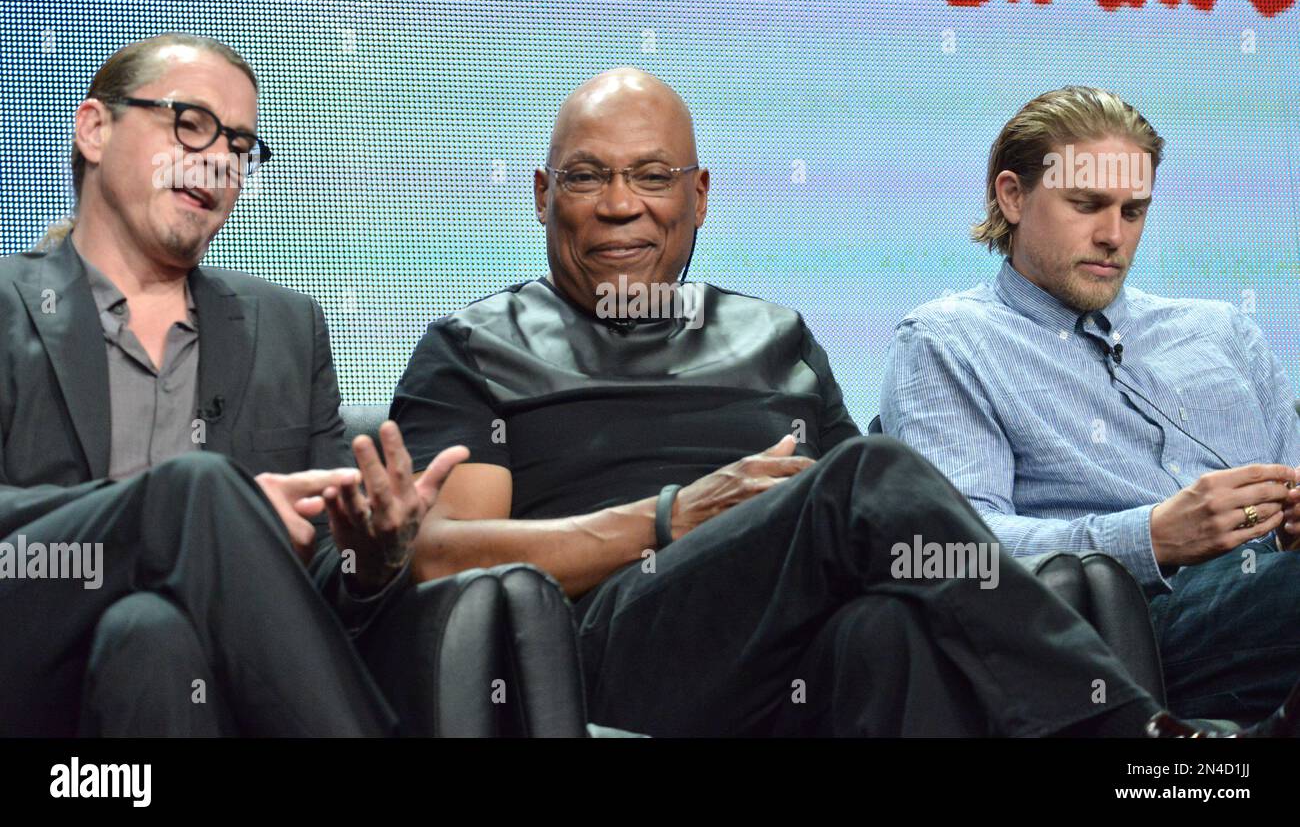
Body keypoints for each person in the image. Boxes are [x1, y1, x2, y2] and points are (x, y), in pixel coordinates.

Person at [391, 67, 1298, 736]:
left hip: (793, 659)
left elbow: (881, 537)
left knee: (890, 625)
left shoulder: (775, 339)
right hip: (620, 645)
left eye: (654, 176)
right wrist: (668, 518)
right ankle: (1132, 738)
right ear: (544, 198)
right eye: (588, 178)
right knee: (869, 475)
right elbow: (442, 559)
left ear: (700, 198)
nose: (622, 205)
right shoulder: (479, 349)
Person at [0, 33, 500, 736]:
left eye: (238, 146)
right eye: (191, 124)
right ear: (94, 129)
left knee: (151, 633)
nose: (217, 161)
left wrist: (369, 558)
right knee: (195, 490)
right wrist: (177, 516)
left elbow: (312, 584)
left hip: (192, 691)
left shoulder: (287, 330)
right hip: (26, 663)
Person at [881, 85, 1300, 723]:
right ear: (1013, 196)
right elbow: (955, 546)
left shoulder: (1222, 331)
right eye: (1087, 205)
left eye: (1133, 212)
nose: (1113, 236)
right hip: (1129, 630)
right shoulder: (951, 340)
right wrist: (1151, 537)